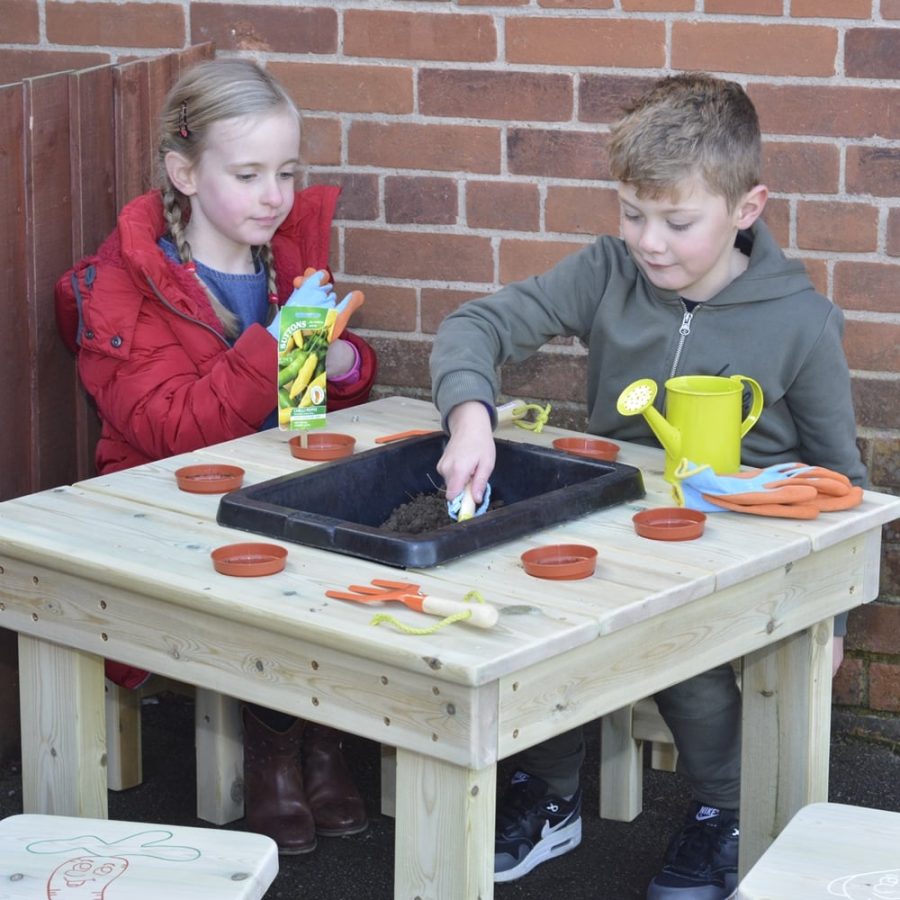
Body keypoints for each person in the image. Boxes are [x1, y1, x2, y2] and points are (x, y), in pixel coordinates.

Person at [430, 72, 866, 899]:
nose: (649, 242)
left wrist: (834, 614)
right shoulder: (606, 272)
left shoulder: (801, 323)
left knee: (678, 638)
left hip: (735, 550)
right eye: (632, 214)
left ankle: (727, 808)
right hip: (610, 522)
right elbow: (476, 324)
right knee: (525, 592)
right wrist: (470, 419)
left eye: (677, 221)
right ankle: (549, 796)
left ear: (746, 208)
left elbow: (844, 480)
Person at [54, 58, 378, 856]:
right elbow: (176, 431)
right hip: (168, 501)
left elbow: (301, 404)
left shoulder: (283, 258)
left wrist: (343, 365)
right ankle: (275, 751)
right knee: (287, 549)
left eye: (287, 172)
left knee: (371, 521)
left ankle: (322, 740)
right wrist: (277, 341)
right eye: (249, 174)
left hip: (271, 481)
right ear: (185, 174)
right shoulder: (124, 285)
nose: (275, 195)